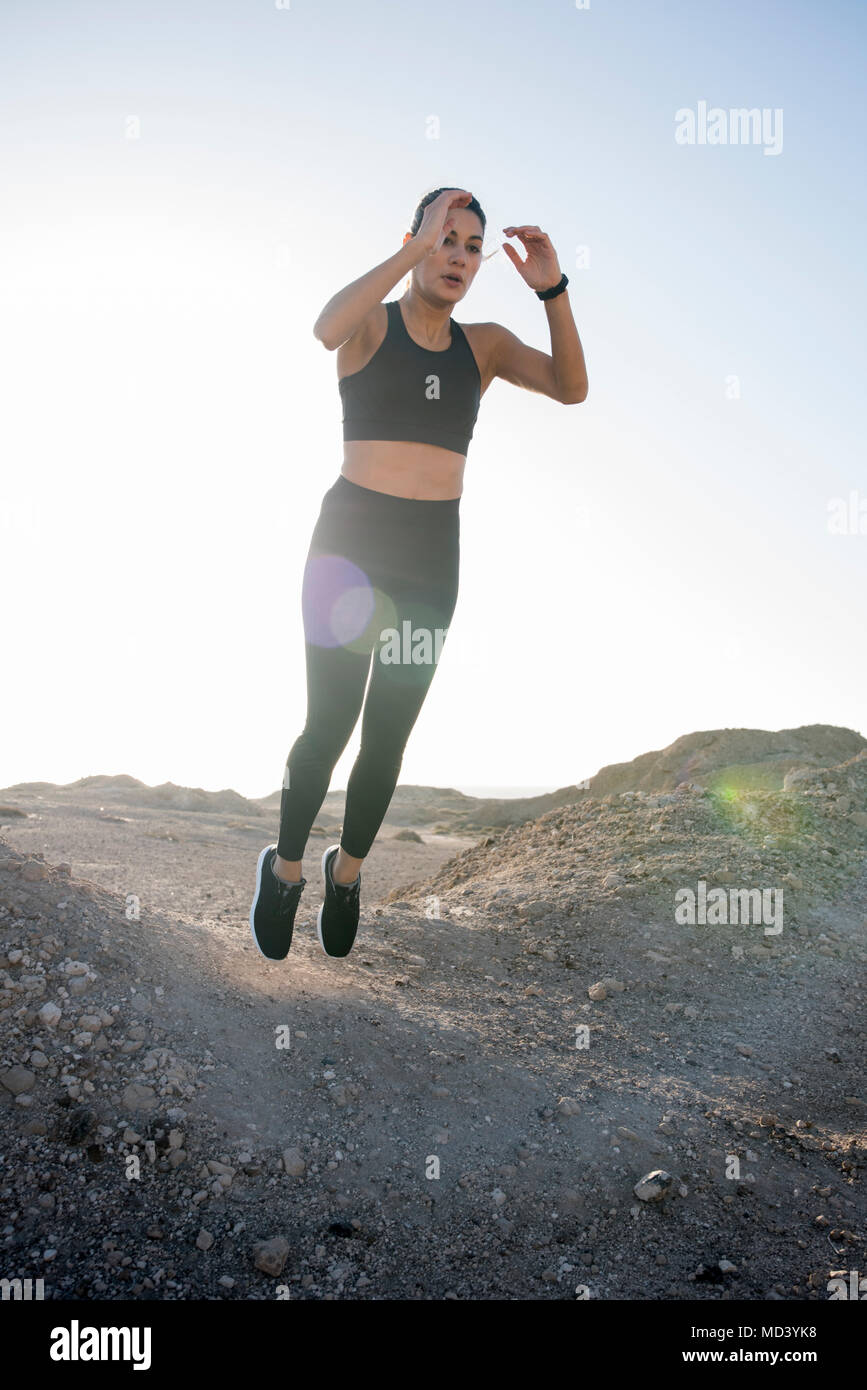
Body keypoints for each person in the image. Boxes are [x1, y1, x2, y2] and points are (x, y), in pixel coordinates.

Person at [250, 186, 589, 962]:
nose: (460, 256)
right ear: (416, 240)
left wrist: (552, 290)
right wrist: (408, 250)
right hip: (348, 546)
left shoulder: (486, 347)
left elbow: (571, 388)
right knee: (328, 725)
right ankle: (288, 867)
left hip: (430, 558)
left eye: (471, 245)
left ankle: (347, 873)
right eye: (446, 238)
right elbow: (322, 327)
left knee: (388, 736)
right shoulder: (371, 324)